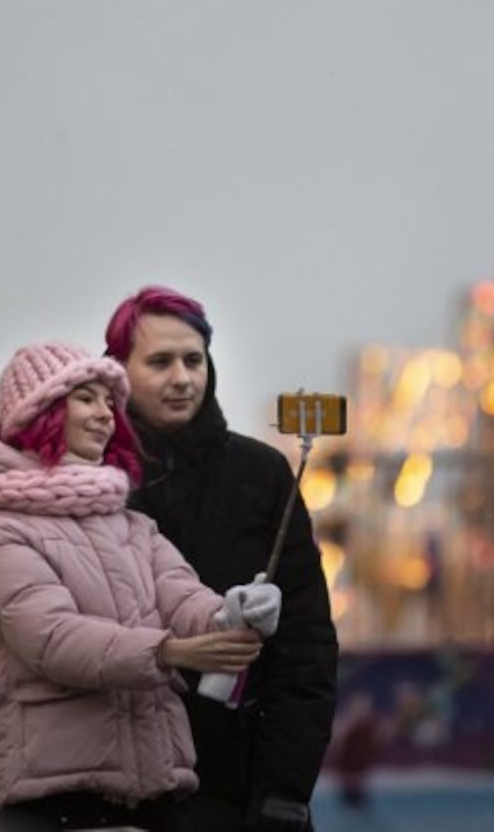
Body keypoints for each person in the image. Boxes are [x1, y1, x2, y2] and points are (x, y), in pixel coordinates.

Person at [0, 340, 284, 831]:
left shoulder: (132, 526)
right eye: (86, 398)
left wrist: (235, 612)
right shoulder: (4, 532)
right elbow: (53, 639)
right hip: (54, 801)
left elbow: (183, 596)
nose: (106, 414)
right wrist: (169, 652)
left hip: (152, 793)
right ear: (44, 414)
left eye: (108, 401)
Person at [105, 287, 339, 832]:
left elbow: (305, 647)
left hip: (236, 787)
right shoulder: (91, 484)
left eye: (194, 359)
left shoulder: (262, 475)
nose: (182, 377)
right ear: (119, 370)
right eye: (160, 362)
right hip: (117, 791)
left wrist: (284, 792)